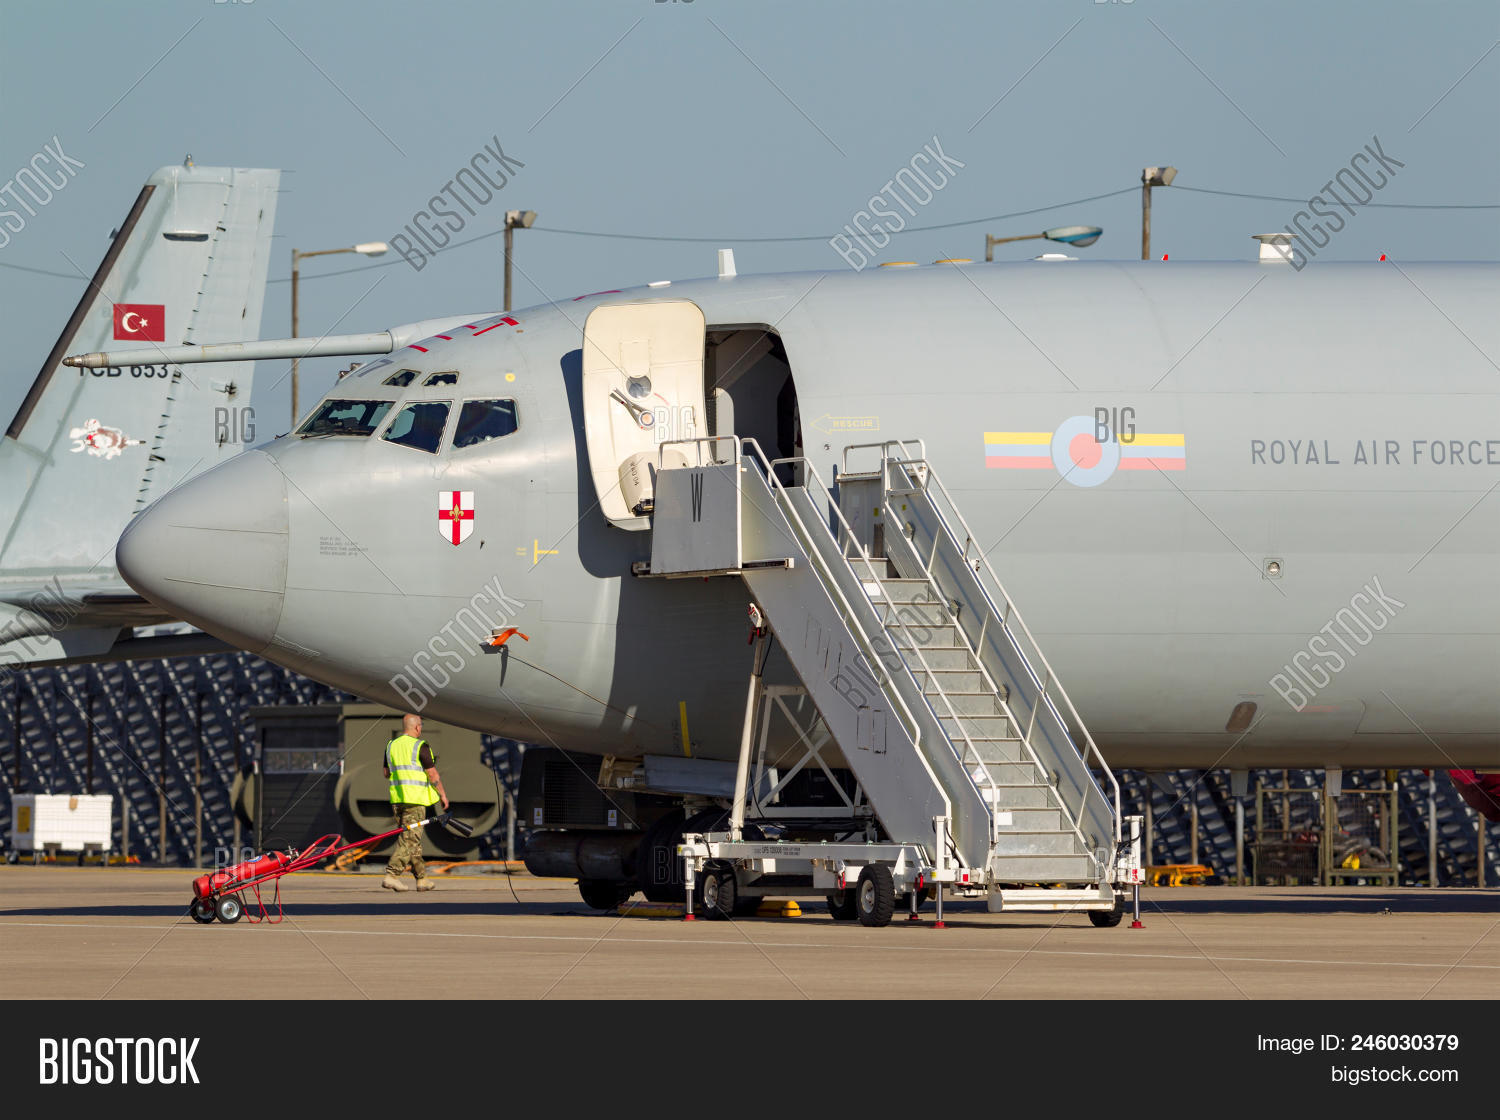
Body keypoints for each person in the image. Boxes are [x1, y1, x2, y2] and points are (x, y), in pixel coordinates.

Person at [381, 713, 449, 892]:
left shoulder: (391, 745)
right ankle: (392, 875)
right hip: (415, 801)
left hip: (397, 801)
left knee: (412, 841)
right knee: (410, 841)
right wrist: (442, 795)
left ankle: (422, 879)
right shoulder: (421, 746)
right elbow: (432, 774)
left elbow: (386, 773)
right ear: (417, 727)